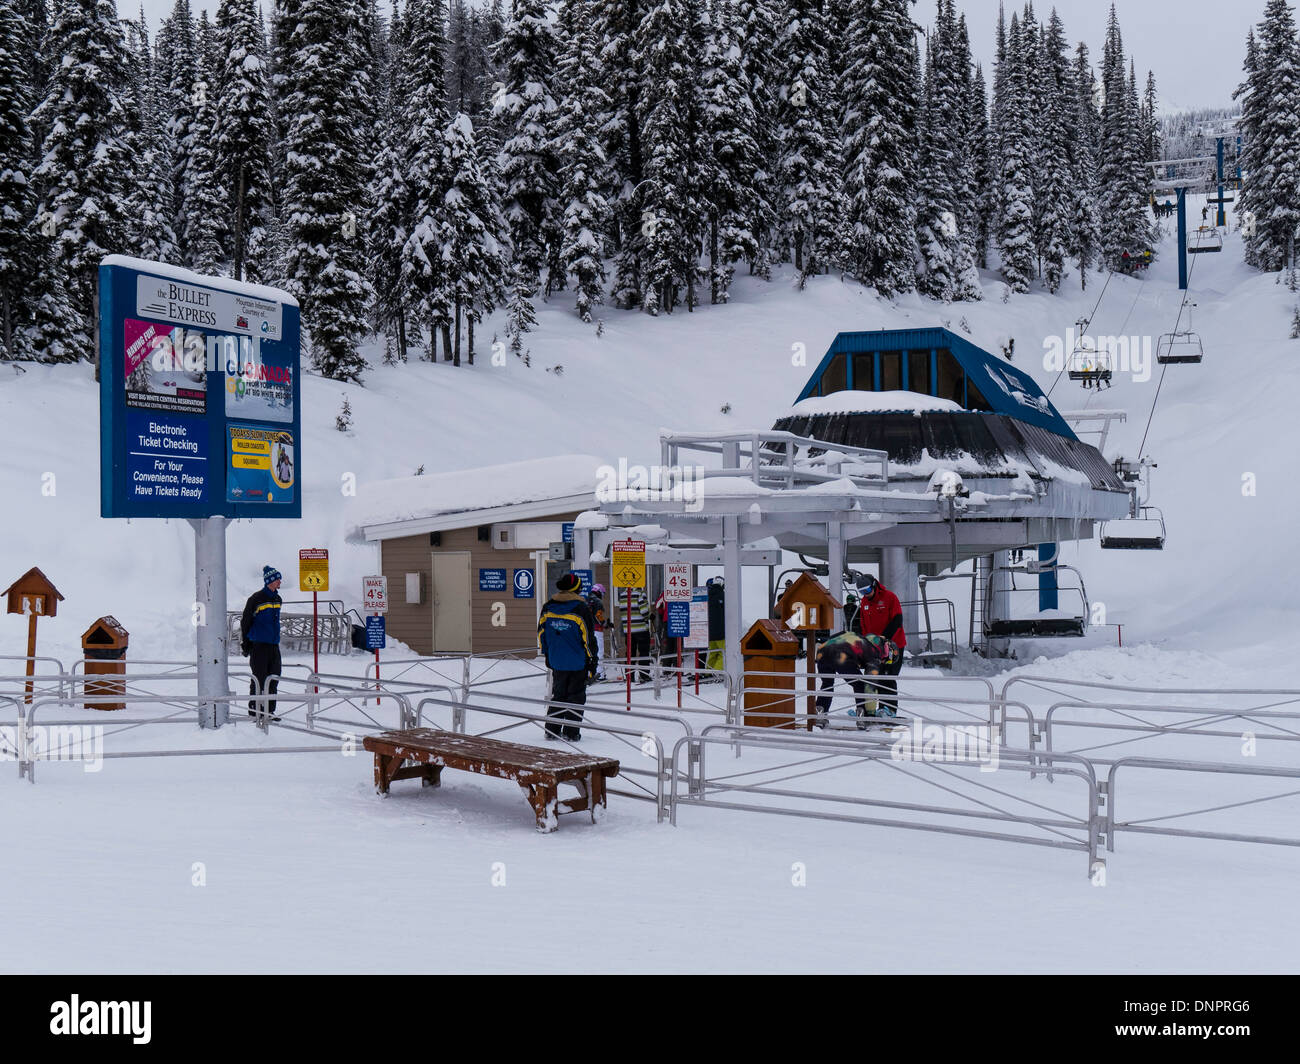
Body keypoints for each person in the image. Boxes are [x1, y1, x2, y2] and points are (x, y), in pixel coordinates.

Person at [537, 573, 598, 740]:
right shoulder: (581, 608)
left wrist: (547, 654)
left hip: (557, 660)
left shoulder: (548, 607)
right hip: (578, 661)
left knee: (558, 695)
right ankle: (571, 733)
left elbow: (541, 632)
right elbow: (588, 638)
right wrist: (593, 661)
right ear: (576, 589)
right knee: (576, 697)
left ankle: (552, 731)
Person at [813, 631, 901, 728]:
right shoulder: (874, 652)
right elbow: (870, 683)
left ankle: (820, 713)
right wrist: (870, 713)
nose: (883, 662)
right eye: (887, 659)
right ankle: (862, 716)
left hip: (822, 652)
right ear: (887, 649)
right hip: (841, 656)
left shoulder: (860, 638)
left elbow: (836, 636)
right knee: (860, 684)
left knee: (827, 684)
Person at [851, 573, 906, 714]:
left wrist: (884, 638)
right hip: (873, 646)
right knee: (873, 676)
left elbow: (897, 620)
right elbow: (863, 624)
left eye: (867, 590)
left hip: (893, 645)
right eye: (862, 592)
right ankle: (870, 709)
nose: (866, 594)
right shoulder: (864, 602)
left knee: (887, 677)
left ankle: (889, 710)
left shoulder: (889, 597)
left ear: (874, 585)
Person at [240, 566, 283, 719]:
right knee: (259, 678)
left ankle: (269, 711)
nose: (280, 581)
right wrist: (246, 644)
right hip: (259, 645)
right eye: (277, 579)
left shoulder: (278, 599)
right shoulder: (255, 599)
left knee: (274, 678)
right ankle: (255, 711)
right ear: (270, 581)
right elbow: (245, 622)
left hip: (273, 645)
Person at [585, 582, 607, 681]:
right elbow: (598, 616)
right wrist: (605, 623)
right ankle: (600, 674)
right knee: (599, 651)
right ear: (599, 592)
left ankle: (590, 673)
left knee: (590, 651)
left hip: (587, 630)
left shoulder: (585, 600)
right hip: (597, 629)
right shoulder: (597, 601)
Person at [705, 577, 725, 672]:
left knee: (713, 653)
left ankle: (708, 672)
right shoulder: (723, 595)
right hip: (721, 631)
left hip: (710, 631)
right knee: (723, 652)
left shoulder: (708, 596)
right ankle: (716, 672)